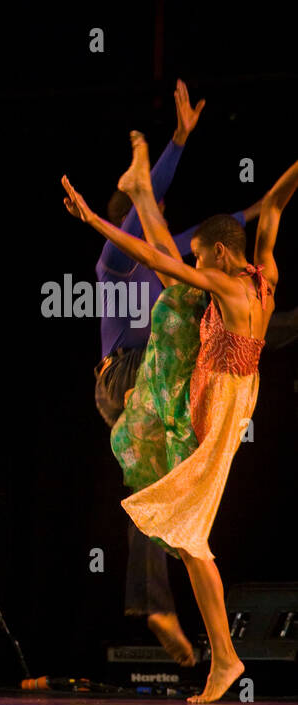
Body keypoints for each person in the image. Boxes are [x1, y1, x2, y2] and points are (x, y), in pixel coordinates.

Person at [63, 137, 298, 703]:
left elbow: (159, 259)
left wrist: (93, 218)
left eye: (201, 254)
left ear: (218, 254)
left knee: (190, 537)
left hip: (216, 410)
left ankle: (225, 657)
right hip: (232, 398)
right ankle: (224, 655)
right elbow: (275, 205)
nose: (194, 260)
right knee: (191, 538)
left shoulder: (227, 283)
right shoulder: (262, 271)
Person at [92, 80, 260, 667]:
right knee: (155, 484)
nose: (165, 225)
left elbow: (229, 226)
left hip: (166, 380)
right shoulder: (112, 260)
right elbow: (146, 216)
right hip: (127, 376)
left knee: (162, 494)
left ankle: (159, 600)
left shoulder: (184, 257)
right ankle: (157, 599)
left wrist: (271, 206)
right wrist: (175, 146)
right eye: (150, 215)